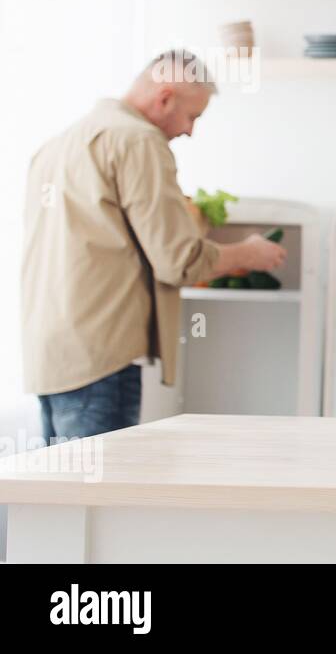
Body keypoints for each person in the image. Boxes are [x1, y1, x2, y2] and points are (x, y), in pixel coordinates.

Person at [21, 50, 285, 441]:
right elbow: (178, 261)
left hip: (49, 357)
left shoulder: (59, 144)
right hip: (99, 362)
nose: (190, 131)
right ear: (164, 98)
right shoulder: (139, 141)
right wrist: (249, 252)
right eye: (193, 116)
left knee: (64, 496)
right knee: (104, 495)